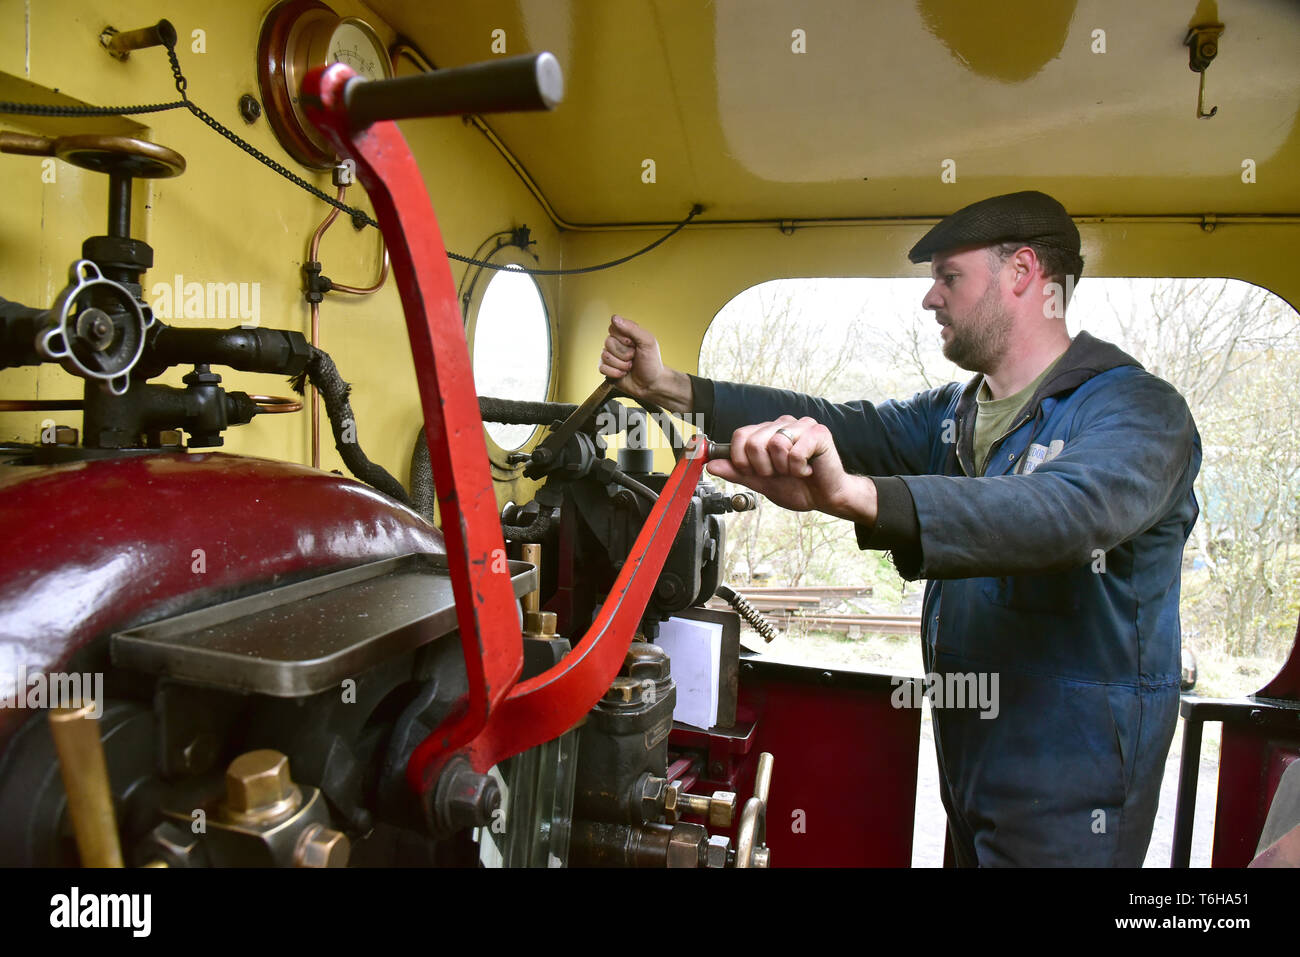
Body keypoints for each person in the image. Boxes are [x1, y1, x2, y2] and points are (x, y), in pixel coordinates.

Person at [598, 190, 1202, 867]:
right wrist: (671, 387)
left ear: (1024, 272)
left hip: (1075, 789)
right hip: (973, 770)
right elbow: (844, 424)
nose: (931, 299)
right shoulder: (960, 413)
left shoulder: (1140, 412)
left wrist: (856, 495)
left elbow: (1066, 512)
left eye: (949, 277)